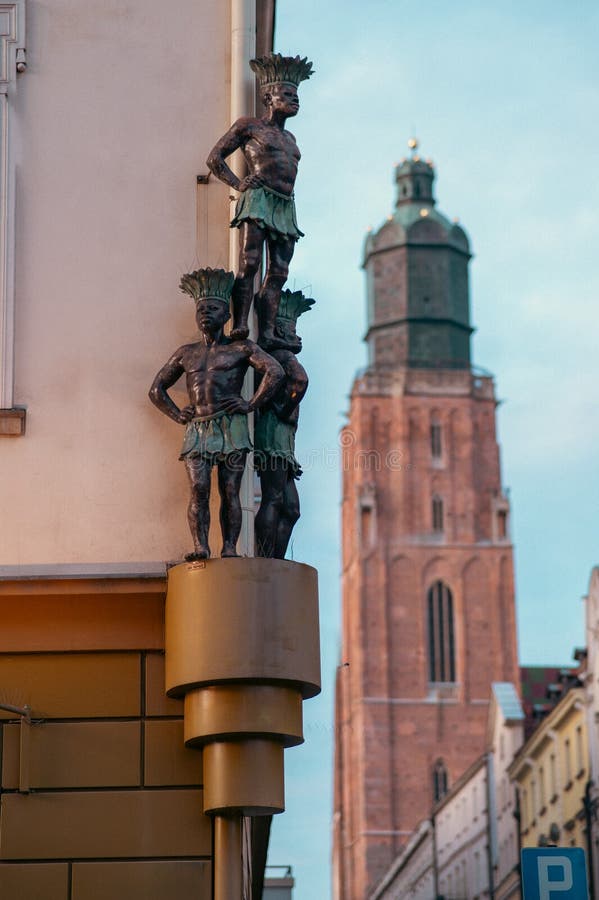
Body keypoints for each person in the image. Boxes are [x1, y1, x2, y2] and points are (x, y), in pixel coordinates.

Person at [149, 268, 283, 560]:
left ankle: (229, 547)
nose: (205, 314)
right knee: (198, 488)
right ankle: (201, 546)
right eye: (201, 309)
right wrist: (177, 414)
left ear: (226, 315)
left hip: (231, 426)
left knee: (230, 488)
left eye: (212, 309)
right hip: (197, 427)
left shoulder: (241, 348)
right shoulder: (186, 353)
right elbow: (156, 389)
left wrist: (250, 404)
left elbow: (275, 371)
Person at [206, 53, 313, 350]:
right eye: (287, 94)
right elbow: (214, 158)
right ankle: (241, 322)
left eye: (296, 95)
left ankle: (266, 331)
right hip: (258, 198)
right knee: (250, 262)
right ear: (268, 97)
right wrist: (238, 184)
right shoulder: (249, 126)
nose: (294, 99)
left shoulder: (291, 139)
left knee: (279, 272)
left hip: (285, 204)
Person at [254, 290, 314, 558]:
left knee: (291, 509)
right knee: (275, 498)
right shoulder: (283, 355)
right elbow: (301, 380)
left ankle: (274, 558)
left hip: (283, 437)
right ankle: (268, 558)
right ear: (279, 331)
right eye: (292, 330)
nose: (297, 337)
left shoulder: (278, 355)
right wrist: (284, 408)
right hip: (274, 432)